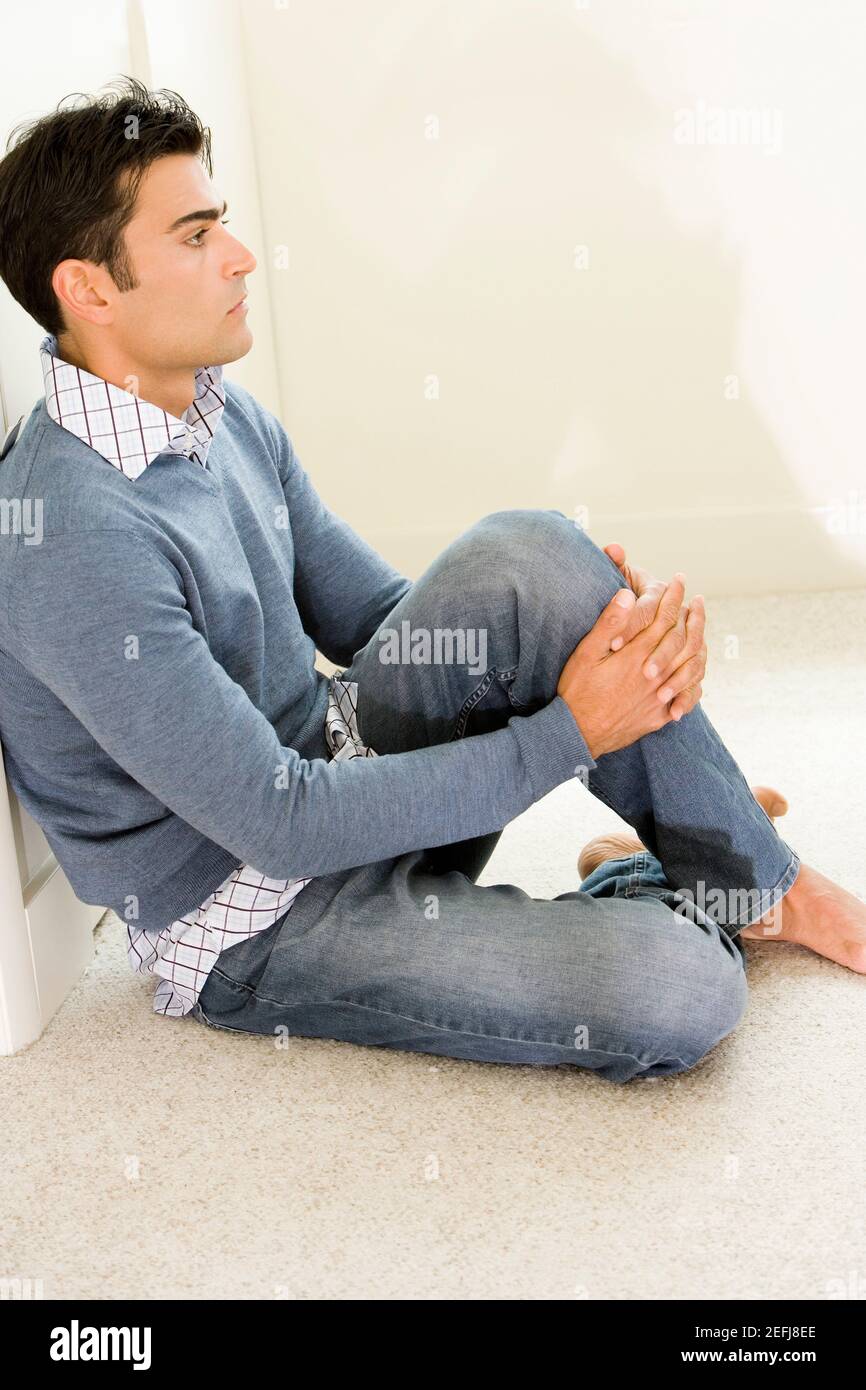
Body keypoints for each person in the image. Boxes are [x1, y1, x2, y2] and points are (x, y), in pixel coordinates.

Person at [0, 79, 862, 1086]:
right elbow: (280, 822)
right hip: (260, 915)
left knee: (533, 558)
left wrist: (581, 619)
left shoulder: (216, 413)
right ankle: (660, 873)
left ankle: (755, 881)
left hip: (344, 770)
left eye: (222, 222)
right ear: (89, 289)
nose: (239, 255)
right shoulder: (67, 537)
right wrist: (577, 729)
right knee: (677, 995)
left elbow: (378, 622)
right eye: (195, 237)